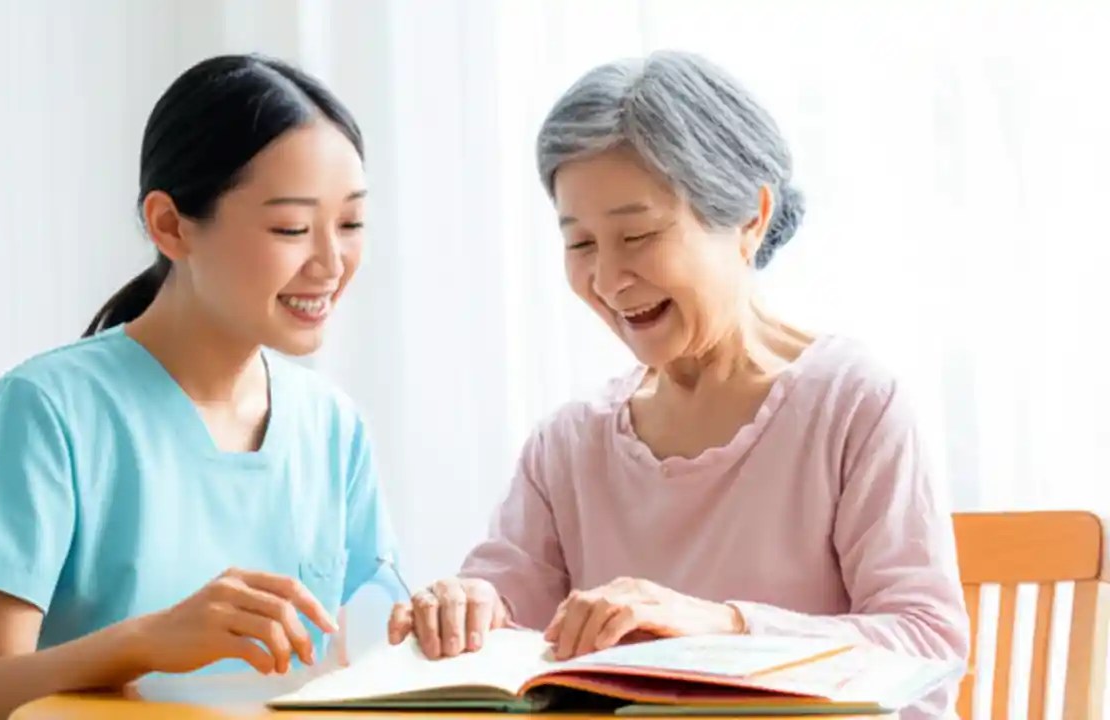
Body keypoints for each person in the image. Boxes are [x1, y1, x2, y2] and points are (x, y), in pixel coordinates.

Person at [388, 50, 970, 718]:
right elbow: (502, 619)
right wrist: (464, 610)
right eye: (580, 245)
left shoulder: (853, 404)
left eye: (637, 236)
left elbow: (927, 647)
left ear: (750, 218)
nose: (607, 280)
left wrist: (720, 628)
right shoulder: (569, 445)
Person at [0, 54, 397, 720]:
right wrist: (150, 641)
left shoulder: (333, 425)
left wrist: (446, 617)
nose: (331, 263)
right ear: (172, 226)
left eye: (350, 224)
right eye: (291, 228)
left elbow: (371, 652)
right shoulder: (49, 409)